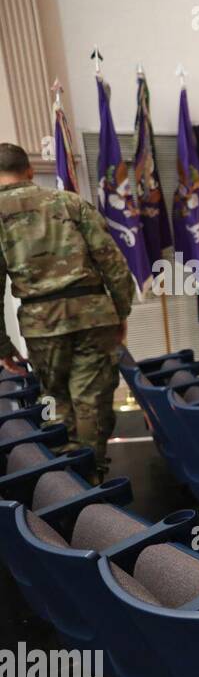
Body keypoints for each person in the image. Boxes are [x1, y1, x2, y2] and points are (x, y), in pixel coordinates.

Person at [0, 143, 134, 481]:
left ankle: (64, 481)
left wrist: (3, 347)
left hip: (41, 324)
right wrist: (119, 313)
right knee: (92, 400)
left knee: (54, 399)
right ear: (29, 170)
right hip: (94, 316)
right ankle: (93, 476)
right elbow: (114, 264)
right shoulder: (69, 202)